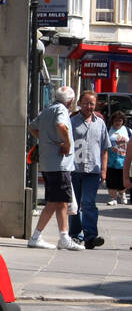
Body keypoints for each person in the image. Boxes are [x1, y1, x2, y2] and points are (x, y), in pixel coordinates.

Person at [27, 86, 82, 250]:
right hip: (59, 163)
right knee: (56, 201)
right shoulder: (61, 110)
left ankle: (63, 236)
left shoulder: (47, 109)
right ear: (70, 101)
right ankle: (38, 236)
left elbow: (32, 126)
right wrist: (66, 143)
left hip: (49, 162)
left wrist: (45, 140)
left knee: (60, 202)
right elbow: (60, 125)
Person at [67, 89, 111, 249]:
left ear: (95, 105)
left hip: (93, 170)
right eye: (86, 103)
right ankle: (75, 236)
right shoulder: (71, 122)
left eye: (92, 103)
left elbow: (104, 149)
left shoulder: (100, 123)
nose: (89, 106)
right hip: (74, 169)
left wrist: (104, 170)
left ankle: (91, 236)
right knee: (75, 205)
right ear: (79, 103)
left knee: (89, 203)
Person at [107, 111, 128, 204]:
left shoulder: (128, 130)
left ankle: (122, 194)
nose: (118, 122)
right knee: (111, 180)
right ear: (112, 121)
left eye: (120, 120)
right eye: (116, 120)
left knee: (122, 180)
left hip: (123, 160)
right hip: (110, 160)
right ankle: (113, 199)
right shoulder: (108, 130)